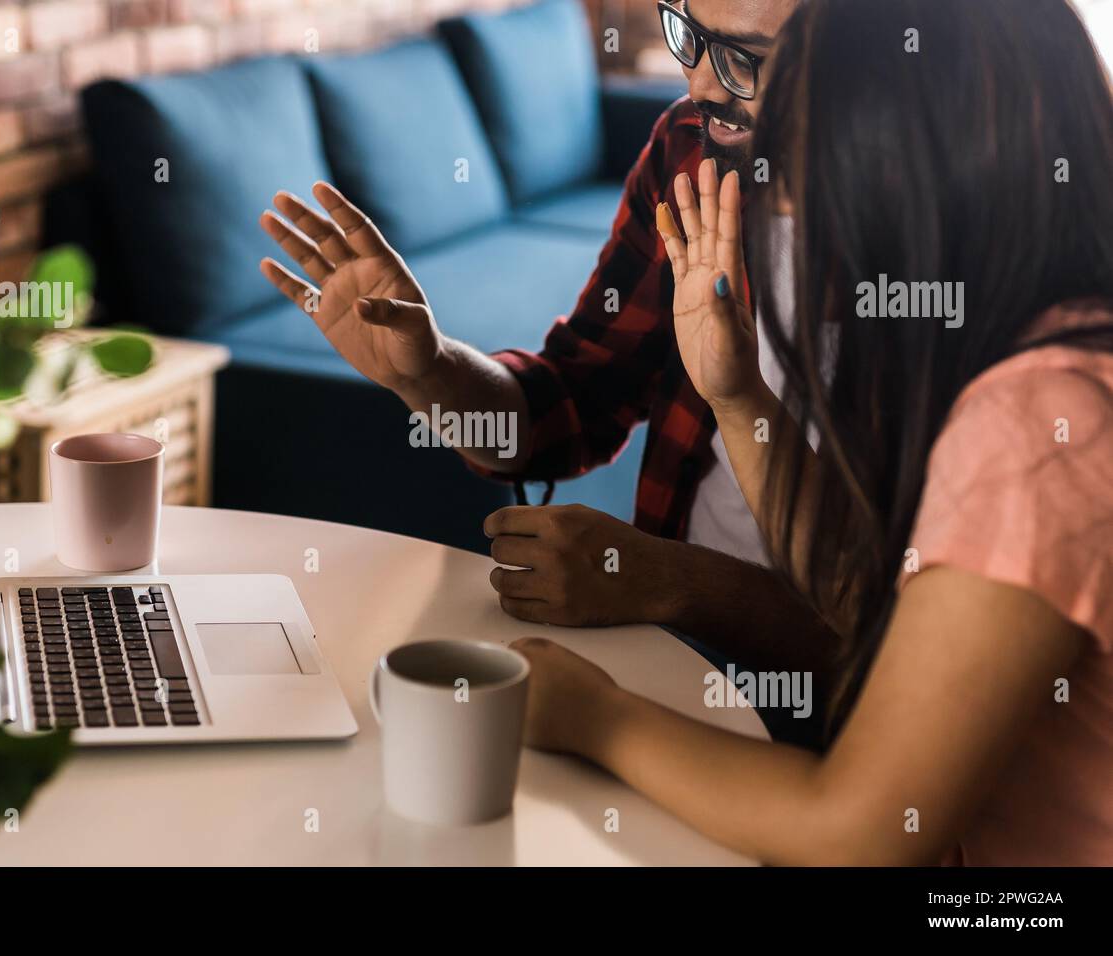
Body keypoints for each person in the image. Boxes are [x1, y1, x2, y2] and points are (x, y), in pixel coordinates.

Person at [514, 0, 1113, 865]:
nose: (779, 195)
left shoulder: (1039, 424)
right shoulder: (1052, 342)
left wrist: (593, 714)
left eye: (812, 150)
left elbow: (860, 829)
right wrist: (736, 395)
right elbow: (875, 613)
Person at [256, 3, 820, 671]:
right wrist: (430, 371)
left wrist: (675, 583)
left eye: (742, 56)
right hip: (682, 657)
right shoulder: (689, 150)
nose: (698, 86)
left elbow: (896, 632)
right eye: (690, 37)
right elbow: (571, 404)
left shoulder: (957, 249)